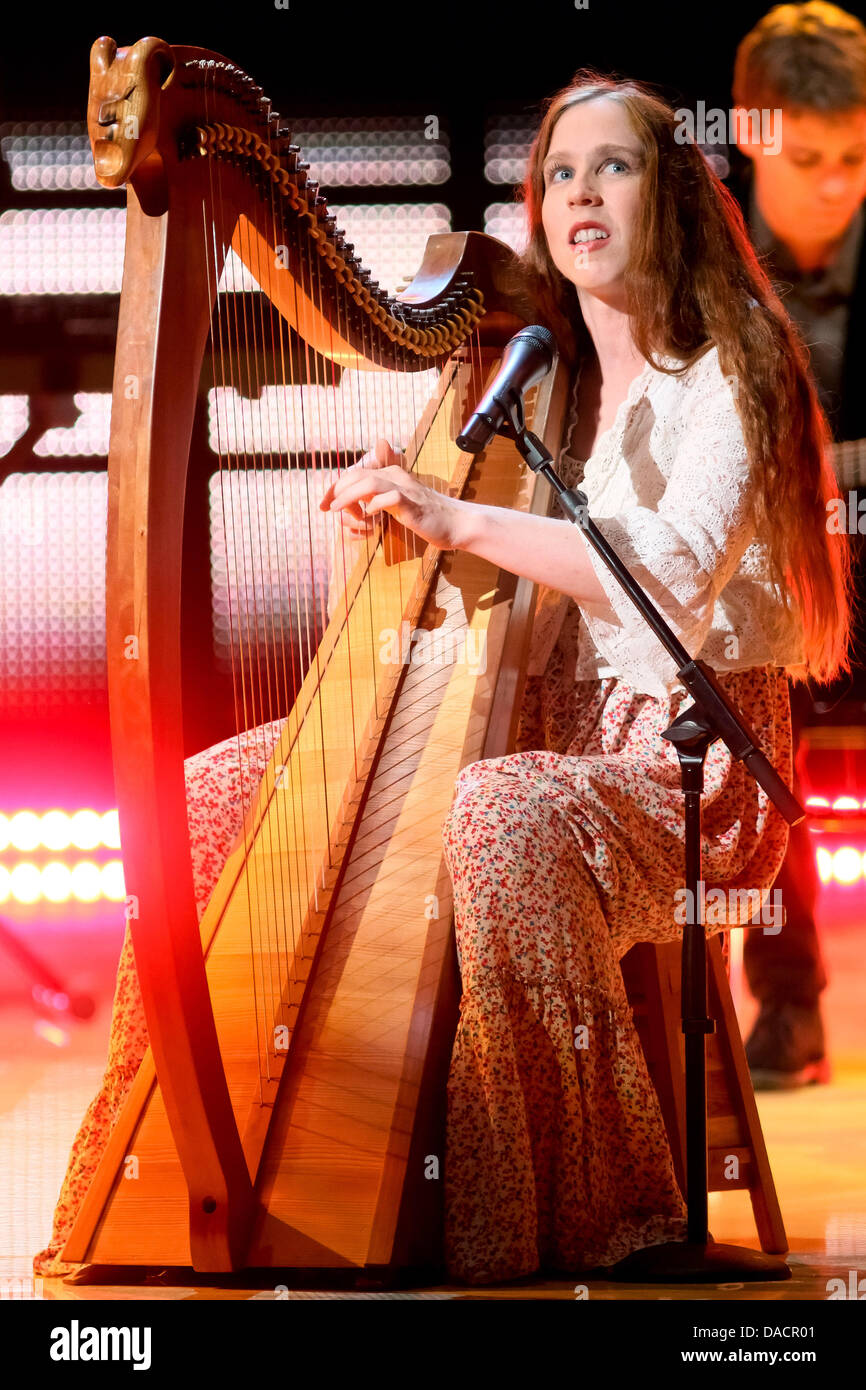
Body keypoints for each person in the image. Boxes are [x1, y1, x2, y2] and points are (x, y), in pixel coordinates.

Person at [34, 70, 851, 1288]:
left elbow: (670, 575)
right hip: (536, 730)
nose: (579, 191)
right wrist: (397, 514)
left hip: (686, 764)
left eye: (612, 166)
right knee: (213, 792)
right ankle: (177, 1185)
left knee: (497, 810)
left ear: (671, 195)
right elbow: (476, 601)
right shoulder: (534, 377)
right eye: (559, 171)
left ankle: (593, 1218)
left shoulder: (725, 376)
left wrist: (455, 522)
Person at [726, 0, 866, 1089]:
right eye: (809, 157)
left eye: (856, 154)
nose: (835, 183)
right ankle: (785, 998)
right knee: (724, 683)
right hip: (766, 564)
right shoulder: (699, 247)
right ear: (745, 131)